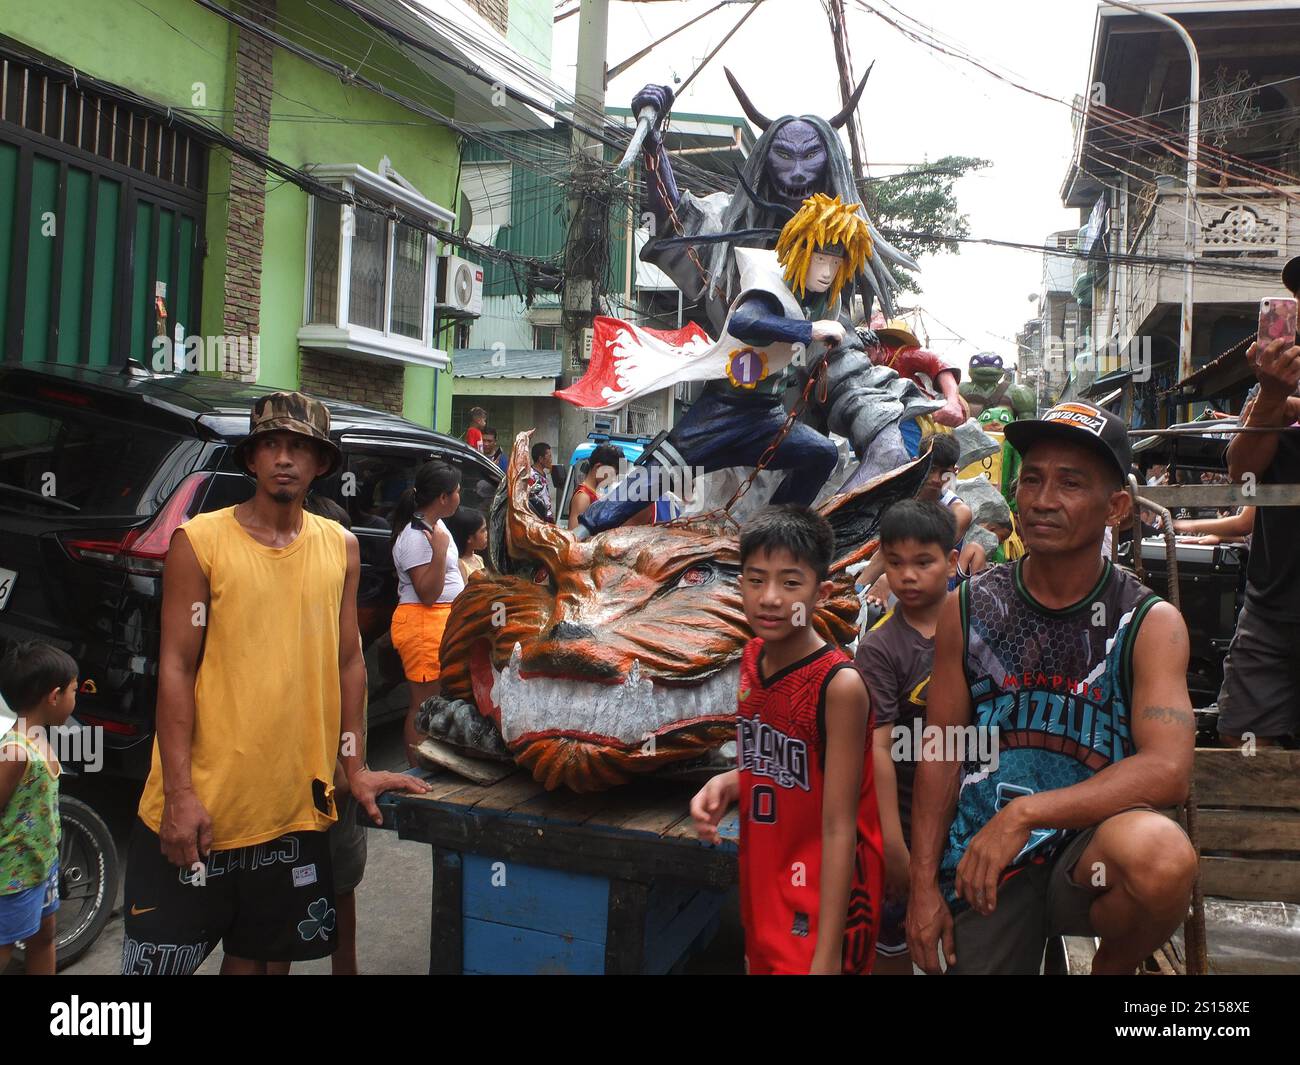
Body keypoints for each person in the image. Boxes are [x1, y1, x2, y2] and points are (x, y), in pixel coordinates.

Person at [123, 392, 427, 976]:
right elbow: (177, 669)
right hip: (203, 809)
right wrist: (181, 794)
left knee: (258, 961)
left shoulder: (340, 547)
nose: (284, 458)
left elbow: (348, 662)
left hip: (293, 810)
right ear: (252, 460)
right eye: (271, 444)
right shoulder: (200, 542)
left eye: (299, 447)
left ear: (320, 463)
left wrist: (353, 765)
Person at [906, 400, 1198, 976]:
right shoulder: (968, 607)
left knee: (1163, 859)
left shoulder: (1149, 622)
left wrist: (1027, 815)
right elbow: (940, 750)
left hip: (1090, 852)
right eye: (1032, 479)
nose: (1042, 500)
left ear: (1115, 507)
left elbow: (1168, 770)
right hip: (984, 857)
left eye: (1070, 483)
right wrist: (921, 889)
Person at [576, 193, 868, 540]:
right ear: (802, 253)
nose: (827, 271)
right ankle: (583, 530)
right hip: (722, 410)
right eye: (821, 259)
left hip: (767, 417)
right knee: (663, 470)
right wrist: (810, 330)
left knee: (820, 454)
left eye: (835, 264)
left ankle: (772, 534)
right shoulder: (770, 286)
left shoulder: (823, 304)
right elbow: (745, 322)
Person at [691, 505, 884, 975]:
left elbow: (840, 826)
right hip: (765, 875)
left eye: (790, 583)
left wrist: (827, 955)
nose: (770, 597)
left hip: (825, 895)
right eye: (755, 580)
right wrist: (731, 782)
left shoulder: (839, 686)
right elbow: (783, 761)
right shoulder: (752, 656)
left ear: (822, 592)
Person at [855, 501, 957, 975]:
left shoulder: (977, 627)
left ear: (952, 563)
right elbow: (876, 746)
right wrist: (893, 846)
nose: (908, 576)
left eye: (924, 562)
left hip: (964, 818)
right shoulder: (879, 647)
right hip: (900, 815)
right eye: (895, 563)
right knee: (892, 939)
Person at [1217, 316, 1300, 747]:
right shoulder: (1276, 380)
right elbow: (1242, 472)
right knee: (1243, 739)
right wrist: (1272, 396)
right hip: (1271, 604)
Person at [0, 643, 78, 975]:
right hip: (12, 878)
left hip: (41, 866)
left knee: (44, 936)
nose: (77, 699)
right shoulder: (16, 751)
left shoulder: (39, 738)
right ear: (54, 696)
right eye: (75, 691)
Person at [390, 462, 464, 763]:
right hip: (423, 623)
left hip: (441, 622)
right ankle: (415, 770)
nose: (460, 496)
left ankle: (432, 763)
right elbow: (428, 594)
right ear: (443, 498)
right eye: (457, 491)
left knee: (439, 700)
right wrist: (438, 551)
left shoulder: (437, 526)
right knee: (423, 704)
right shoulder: (415, 537)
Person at [866, 316, 965, 435]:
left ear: (878, 347)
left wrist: (952, 402)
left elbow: (936, 361)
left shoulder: (901, 355)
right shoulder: (859, 368)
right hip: (873, 418)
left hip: (913, 417)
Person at [568, 444, 623, 530]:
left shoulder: (596, 493)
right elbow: (574, 536)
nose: (614, 479)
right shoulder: (583, 497)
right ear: (598, 467)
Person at [447, 506, 488, 580]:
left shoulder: (479, 559)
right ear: (469, 538)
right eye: (483, 531)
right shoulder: (460, 565)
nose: (487, 534)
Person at [527, 441, 556, 523]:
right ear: (540, 459)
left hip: (547, 517)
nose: (551, 459)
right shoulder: (531, 475)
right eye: (549, 456)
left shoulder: (544, 474)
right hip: (537, 519)